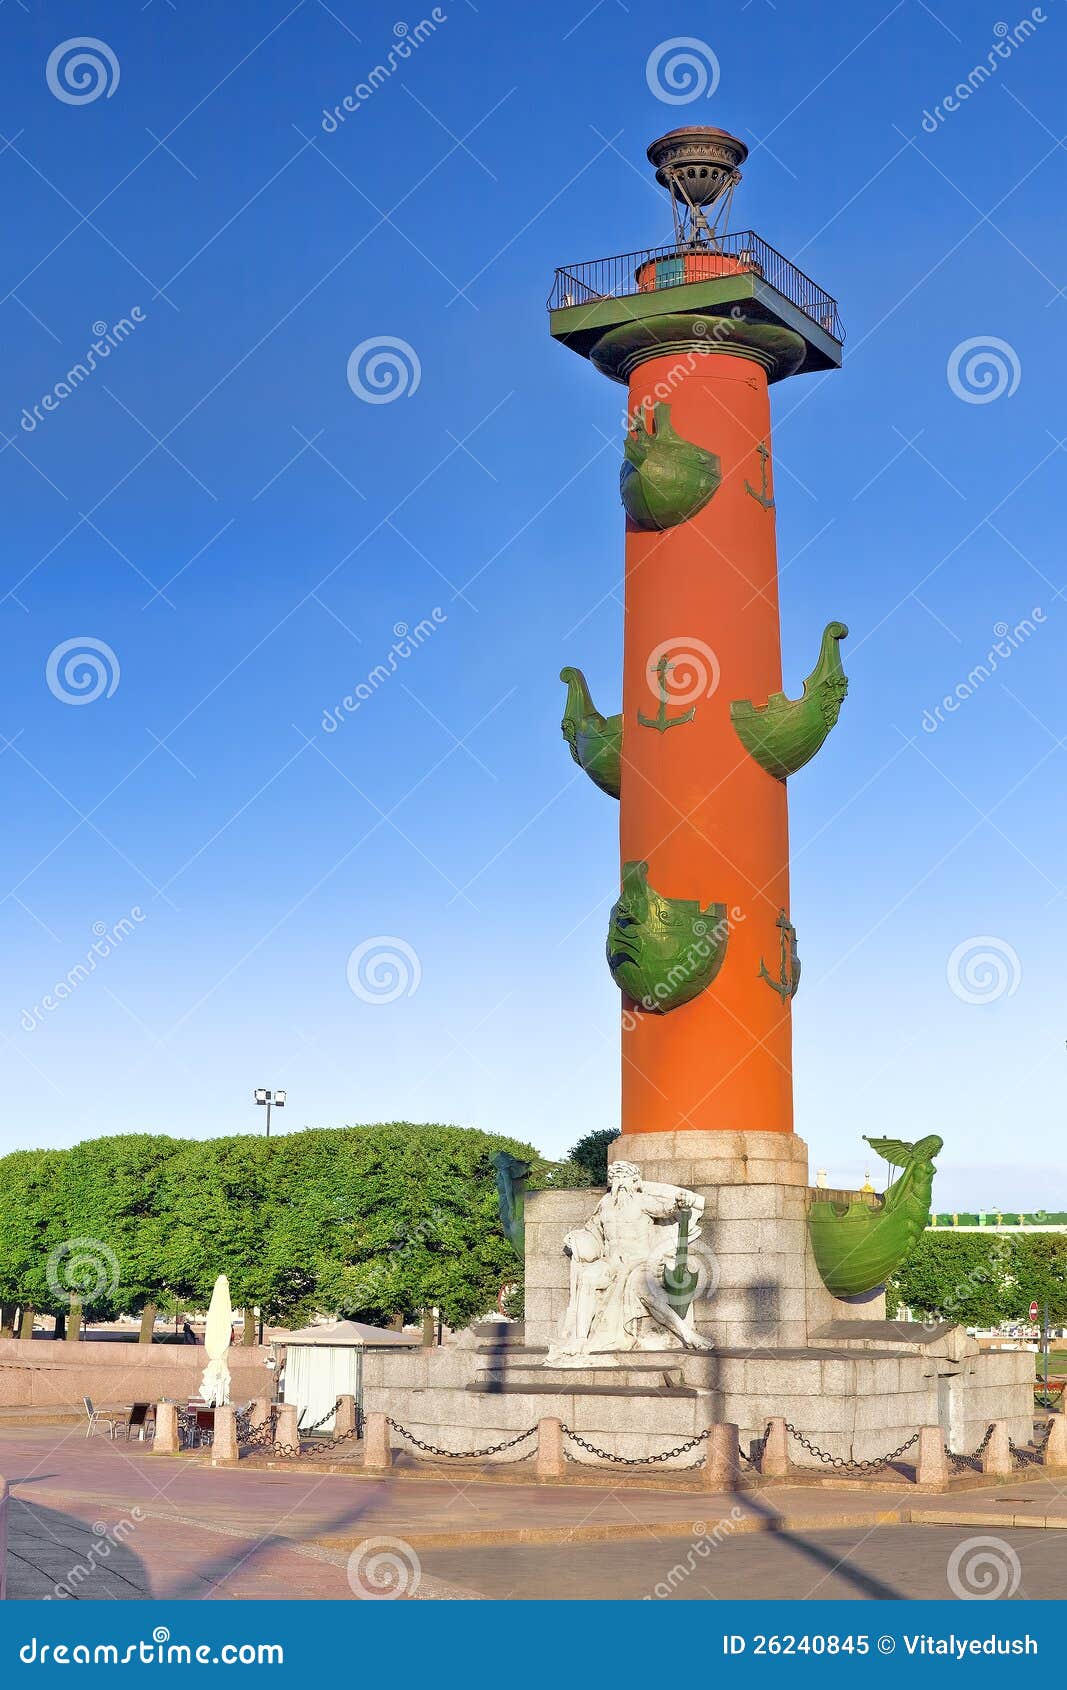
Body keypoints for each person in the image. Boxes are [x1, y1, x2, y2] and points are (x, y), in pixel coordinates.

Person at [546, 1160, 713, 1365]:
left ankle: (688, 1335)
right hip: (611, 1262)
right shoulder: (605, 1203)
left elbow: (666, 1209)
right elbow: (593, 1231)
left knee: (645, 1289)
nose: (620, 1182)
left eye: (624, 1177)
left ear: (635, 1181)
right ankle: (581, 1339)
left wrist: (678, 1201)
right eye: (616, 1178)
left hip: (639, 1262)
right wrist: (578, 1238)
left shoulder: (642, 1201)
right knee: (588, 1277)